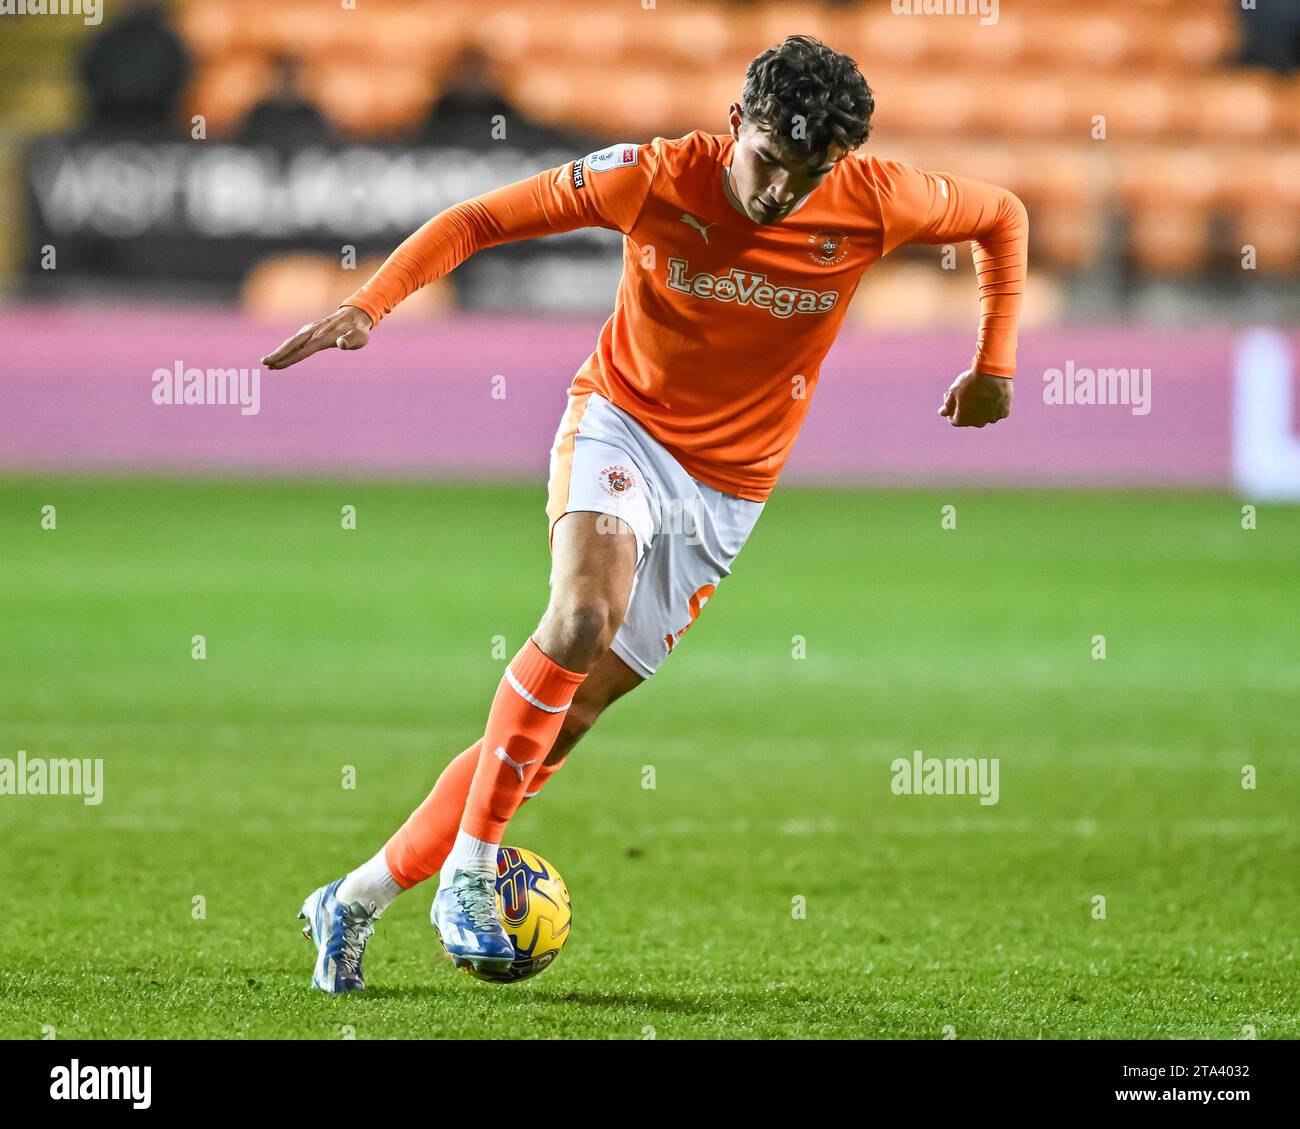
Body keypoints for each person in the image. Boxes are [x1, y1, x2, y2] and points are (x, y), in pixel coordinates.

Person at [263, 35, 1028, 991]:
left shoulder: (874, 197)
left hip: (730, 490)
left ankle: (354, 900)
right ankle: (470, 869)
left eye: (808, 175)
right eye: (769, 164)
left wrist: (996, 362)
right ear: (736, 121)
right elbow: (477, 220)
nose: (781, 193)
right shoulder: (654, 175)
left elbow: (1002, 214)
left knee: (560, 724)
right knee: (584, 614)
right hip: (622, 425)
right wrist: (373, 306)